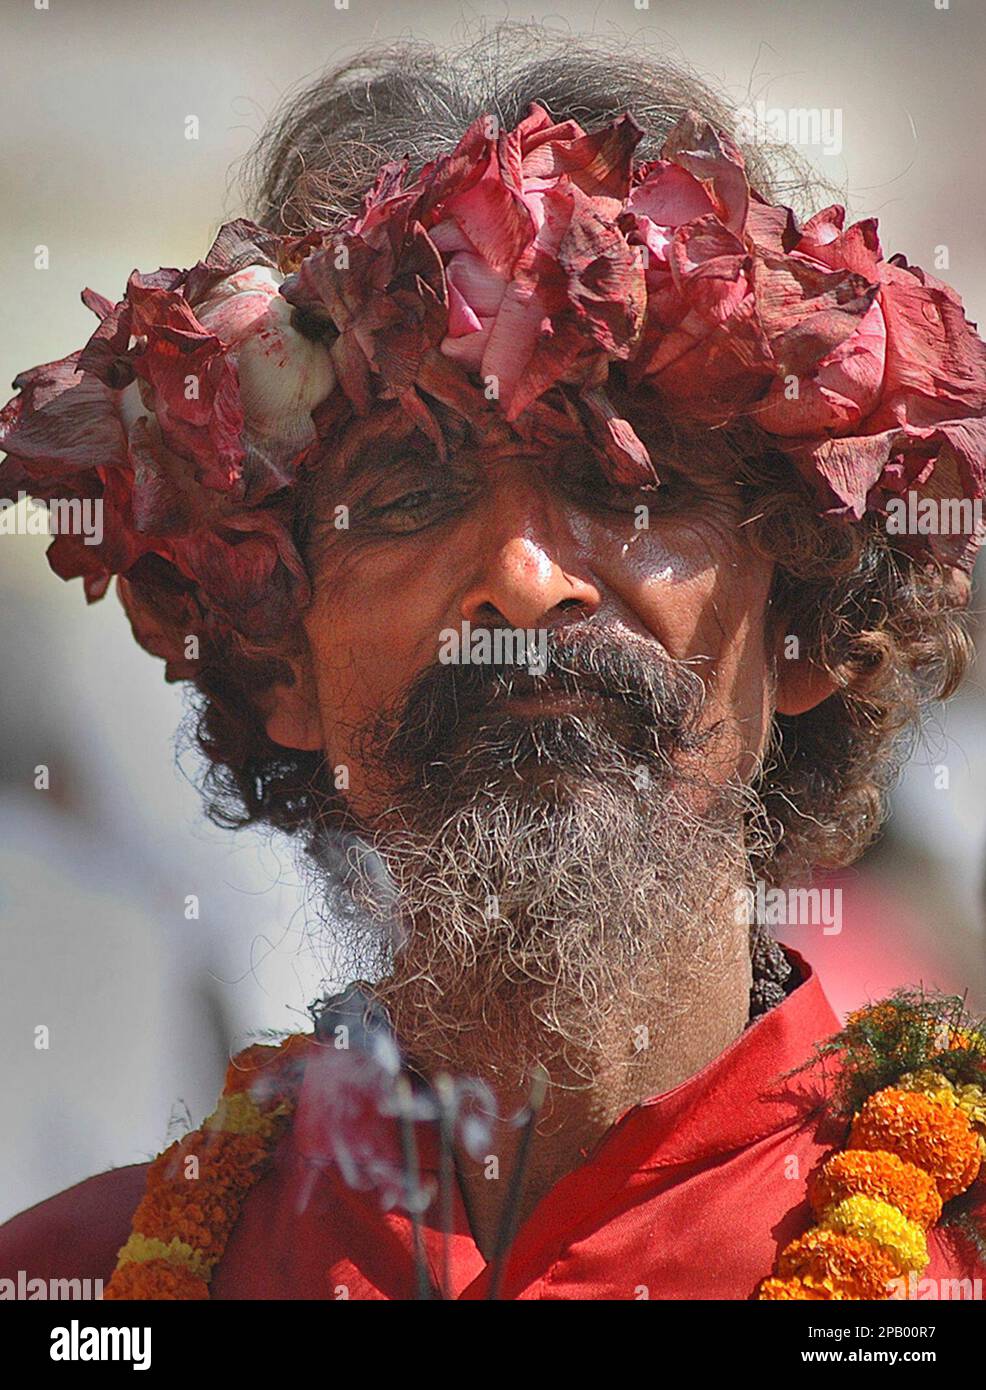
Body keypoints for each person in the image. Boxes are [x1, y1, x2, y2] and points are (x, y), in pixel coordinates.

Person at [2, 27, 985, 1301]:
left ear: (804, 627)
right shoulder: (76, 1288)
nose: (523, 578)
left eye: (625, 484)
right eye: (408, 493)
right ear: (276, 659)